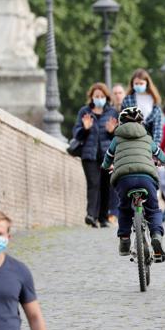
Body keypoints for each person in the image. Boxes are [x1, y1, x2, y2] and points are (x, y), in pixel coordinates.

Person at [102, 106, 165, 262]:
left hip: (124, 179)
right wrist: (164, 161)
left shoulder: (116, 139)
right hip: (146, 178)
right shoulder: (147, 138)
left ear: (120, 123)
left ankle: (124, 240)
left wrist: (107, 166)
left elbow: (108, 158)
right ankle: (156, 236)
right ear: (141, 123)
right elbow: (159, 154)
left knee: (124, 208)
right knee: (153, 210)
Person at [71, 82, 119, 227]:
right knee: (93, 184)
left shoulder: (112, 113)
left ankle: (103, 218)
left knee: (105, 186)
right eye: (96, 96)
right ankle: (91, 215)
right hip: (89, 156)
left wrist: (112, 131)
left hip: (107, 155)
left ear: (106, 97)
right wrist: (85, 129)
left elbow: (118, 137)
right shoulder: (84, 112)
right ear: (91, 97)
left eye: (102, 96)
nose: (99, 99)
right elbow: (76, 134)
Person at [120, 69, 164, 145]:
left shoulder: (154, 100)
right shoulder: (128, 100)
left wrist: (155, 146)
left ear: (147, 83)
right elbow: (123, 123)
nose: (138, 86)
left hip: (150, 142)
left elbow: (158, 128)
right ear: (132, 84)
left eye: (141, 83)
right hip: (132, 141)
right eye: (136, 83)